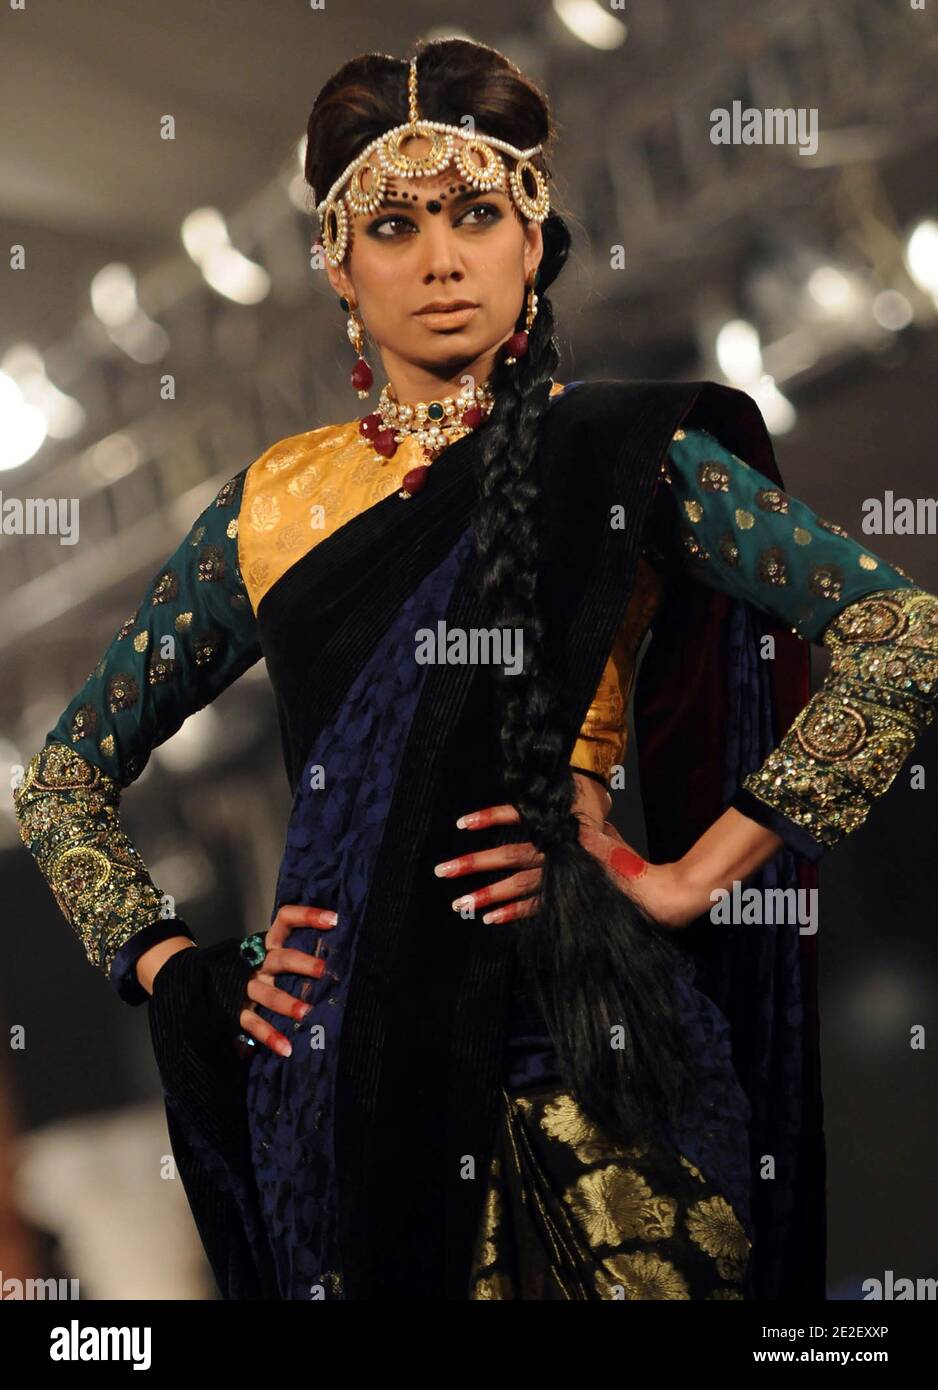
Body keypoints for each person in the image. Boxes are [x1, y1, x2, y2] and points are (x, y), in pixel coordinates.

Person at [14, 38, 938, 1302]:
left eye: (475, 214)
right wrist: (176, 966)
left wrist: (677, 881)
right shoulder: (272, 503)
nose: (441, 258)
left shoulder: (623, 452)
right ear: (337, 265)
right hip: (342, 1082)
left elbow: (899, 633)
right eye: (393, 224)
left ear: (530, 237)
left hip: (586, 1056)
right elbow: (60, 776)